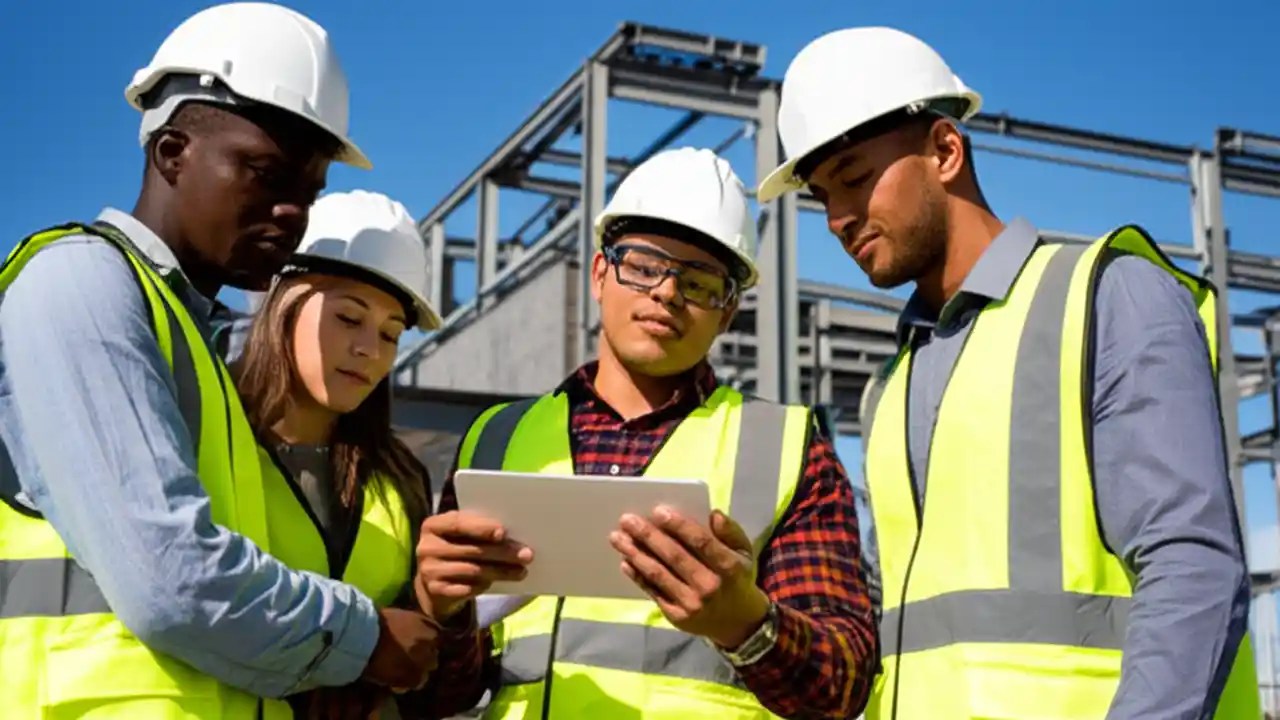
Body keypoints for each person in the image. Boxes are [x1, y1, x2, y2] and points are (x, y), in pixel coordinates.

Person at [756, 25, 1263, 720]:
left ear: (944, 149)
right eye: (820, 196)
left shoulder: (1110, 297)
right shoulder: (895, 384)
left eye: (854, 178)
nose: (839, 218)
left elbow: (1193, 570)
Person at [0, 4, 438, 719]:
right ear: (173, 152)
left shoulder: (198, 346)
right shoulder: (77, 282)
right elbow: (169, 579)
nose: (293, 213)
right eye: (266, 175)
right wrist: (365, 635)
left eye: (309, 191)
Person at [411, 147, 880, 719]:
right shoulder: (496, 439)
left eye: (701, 281)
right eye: (643, 264)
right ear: (600, 273)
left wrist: (747, 624)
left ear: (727, 313)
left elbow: (841, 686)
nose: (666, 292)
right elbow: (441, 697)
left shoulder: (787, 449)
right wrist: (442, 613)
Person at [222, 189, 480, 719]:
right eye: (348, 318)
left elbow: (436, 693)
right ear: (285, 303)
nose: (370, 350)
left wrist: (439, 610)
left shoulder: (397, 477)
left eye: (390, 334)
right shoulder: (213, 445)